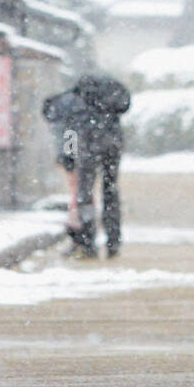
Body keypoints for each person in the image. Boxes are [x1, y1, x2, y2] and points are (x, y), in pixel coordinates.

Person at [42, 73, 131, 259]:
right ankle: (113, 242)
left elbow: (68, 131)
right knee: (110, 190)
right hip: (113, 143)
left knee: (85, 193)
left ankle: (88, 243)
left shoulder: (65, 104)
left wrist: (68, 156)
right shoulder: (99, 96)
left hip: (89, 145)